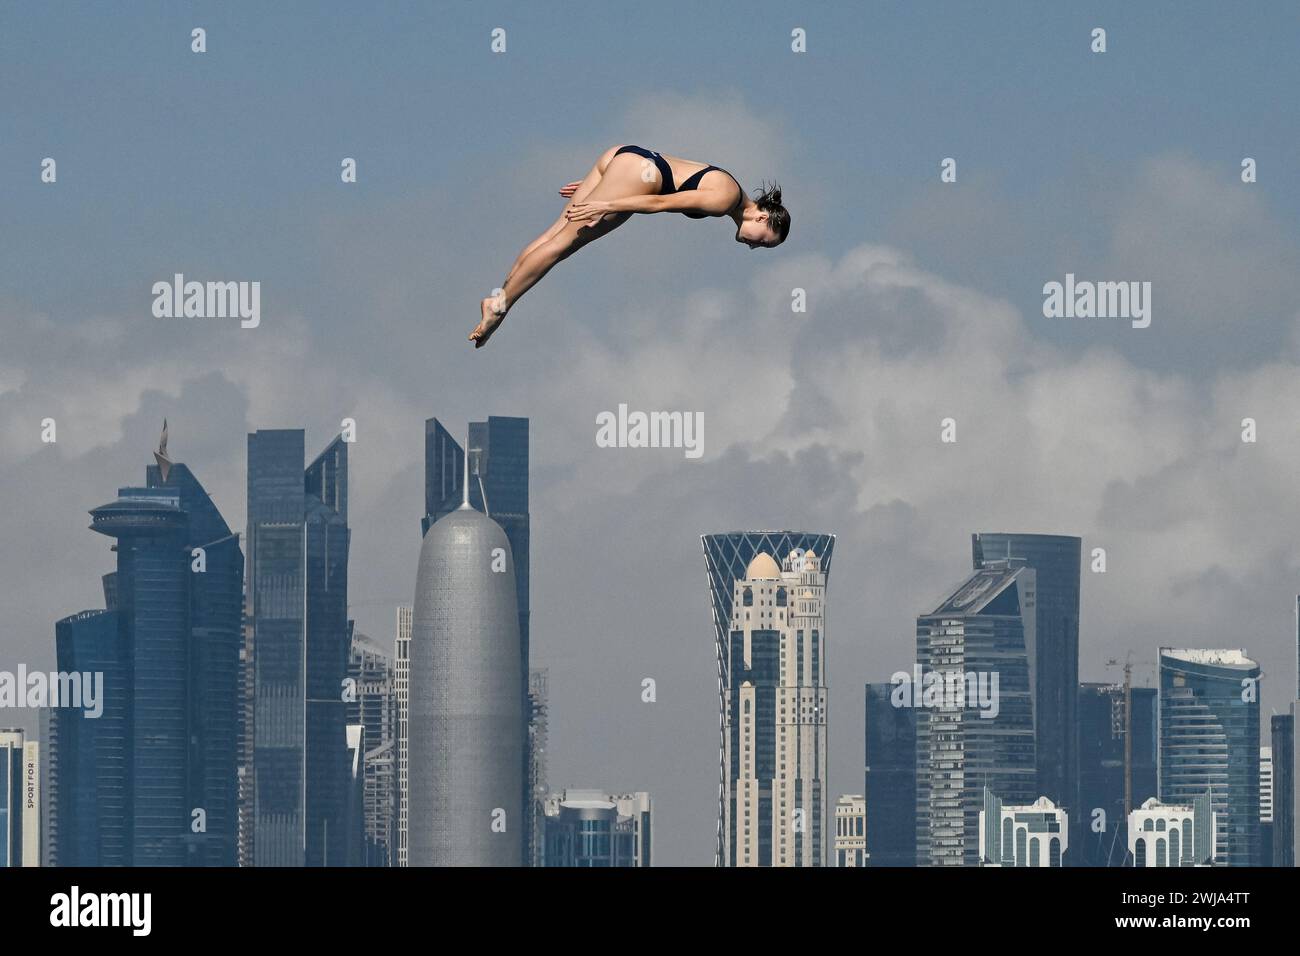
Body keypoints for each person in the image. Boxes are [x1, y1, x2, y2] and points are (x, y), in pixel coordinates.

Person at [470, 144, 790, 347]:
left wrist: (608, 184)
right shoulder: (725, 199)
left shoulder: (730, 190)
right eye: (763, 244)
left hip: (626, 158)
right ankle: (499, 307)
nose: (754, 248)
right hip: (638, 177)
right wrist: (609, 202)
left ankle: (499, 299)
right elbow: (657, 202)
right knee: (562, 246)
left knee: (552, 236)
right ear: (763, 219)